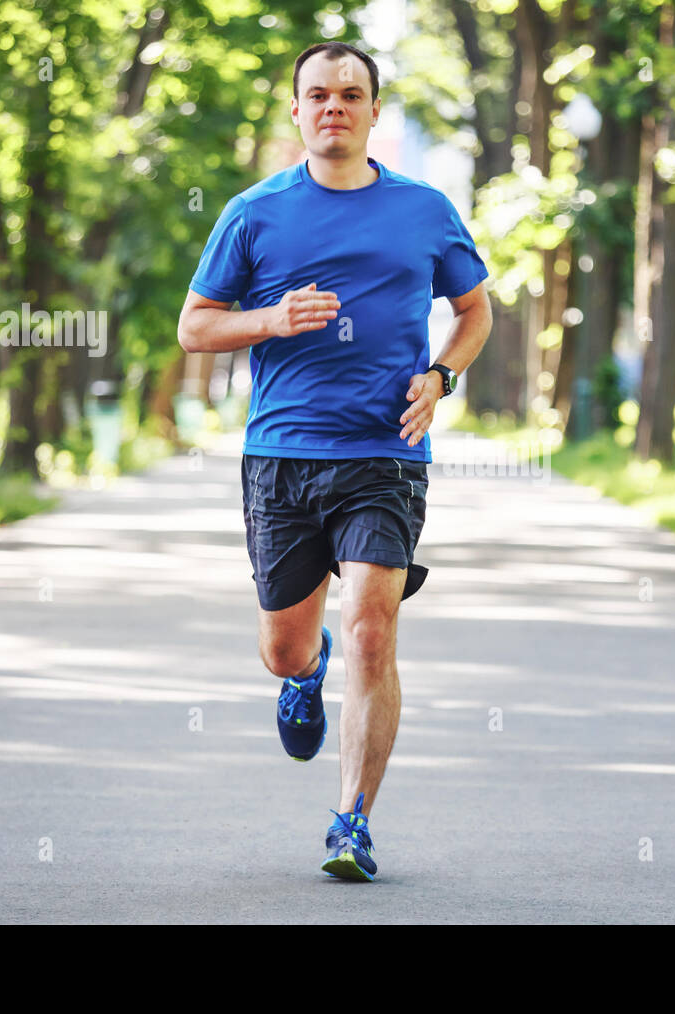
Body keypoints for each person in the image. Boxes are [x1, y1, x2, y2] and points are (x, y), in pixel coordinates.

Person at [177, 41, 492, 881]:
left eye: (351, 94)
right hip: (282, 455)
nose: (334, 107)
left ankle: (351, 821)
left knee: (374, 629)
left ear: (374, 111)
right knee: (287, 645)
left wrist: (441, 375)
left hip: (385, 454)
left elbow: (473, 311)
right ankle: (301, 670)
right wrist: (271, 321)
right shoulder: (253, 212)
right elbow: (196, 325)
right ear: (296, 110)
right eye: (318, 94)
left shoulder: (424, 209)